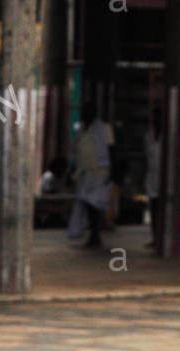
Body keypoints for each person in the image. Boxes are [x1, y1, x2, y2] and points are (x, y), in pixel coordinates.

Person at [69, 101, 115, 248]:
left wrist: (112, 171)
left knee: (94, 203)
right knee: (86, 203)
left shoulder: (104, 128)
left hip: (100, 172)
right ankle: (92, 234)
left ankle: (95, 235)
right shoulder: (80, 129)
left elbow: (112, 149)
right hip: (84, 172)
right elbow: (76, 151)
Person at [144, 106, 163, 251]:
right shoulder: (149, 135)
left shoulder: (168, 135)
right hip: (152, 176)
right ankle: (155, 238)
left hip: (164, 178)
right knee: (154, 207)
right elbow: (146, 158)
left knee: (163, 209)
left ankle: (162, 238)